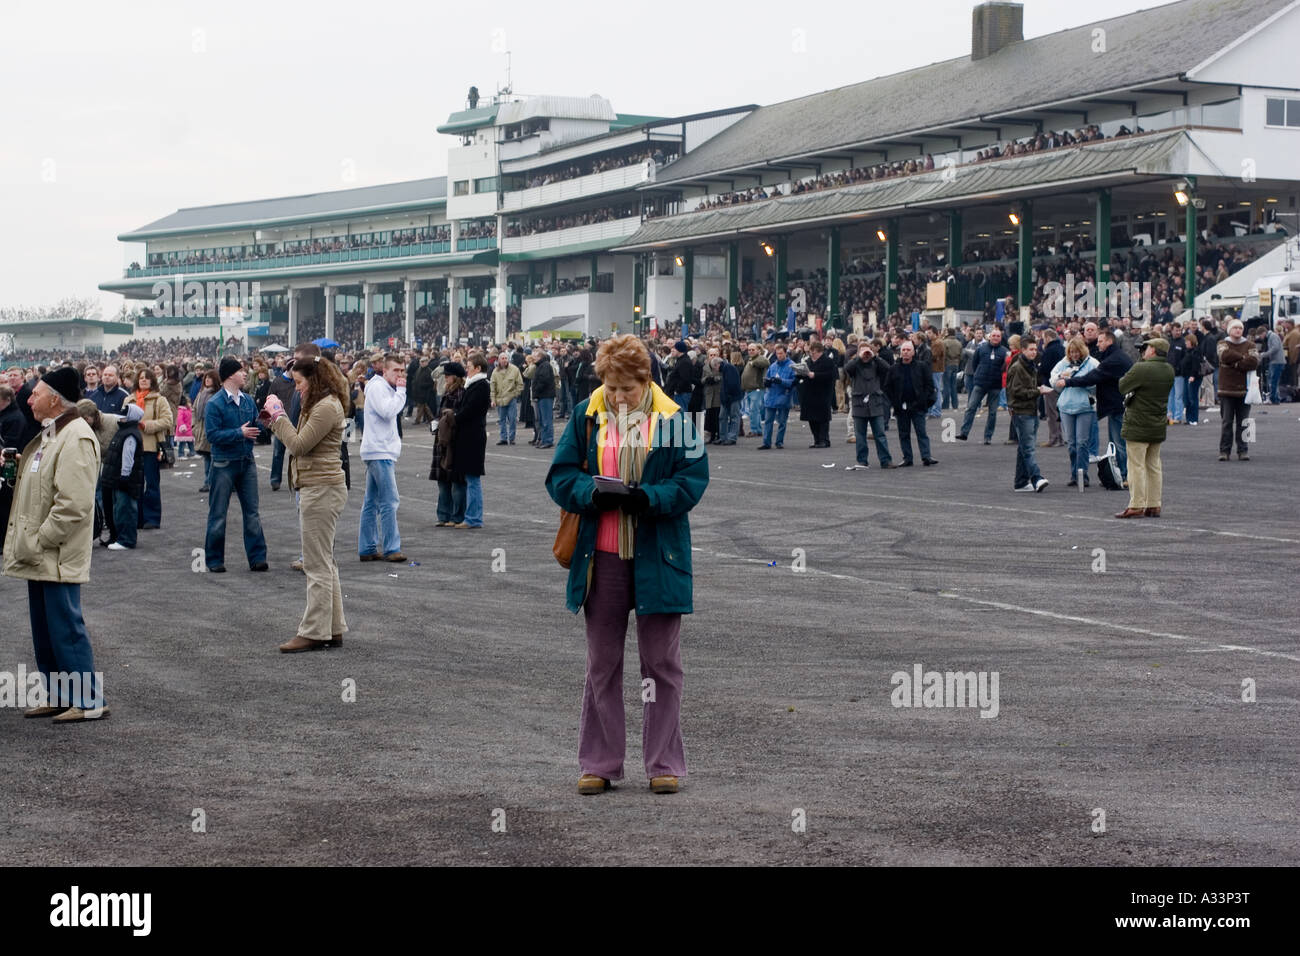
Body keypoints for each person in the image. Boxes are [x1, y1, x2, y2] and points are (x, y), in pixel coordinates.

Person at [544, 334, 709, 796]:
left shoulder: (675, 421)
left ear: (646, 380)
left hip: (659, 555)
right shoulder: (587, 414)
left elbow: (694, 480)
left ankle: (663, 764)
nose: (618, 398)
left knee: (661, 665)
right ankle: (599, 762)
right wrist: (589, 493)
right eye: (611, 388)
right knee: (603, 663)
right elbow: (560, 475)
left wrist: (647, 498)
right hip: (603, 557)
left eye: (627, 389)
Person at [2, 367, 107, 722]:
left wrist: (39, 539)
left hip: (56, 551)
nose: (28, 398)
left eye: (35, 393)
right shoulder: (52, 433)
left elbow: (73, 505)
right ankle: (61, 694)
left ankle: (89, 701)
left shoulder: (74, 436)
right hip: (41, 551)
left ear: (55, 399)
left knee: (66, 629)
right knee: (46, 631)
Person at [264, 345, 349, 653]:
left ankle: (314, 630)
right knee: (325, 561)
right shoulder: (324, 403)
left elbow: (299, 445)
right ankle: (333, 628)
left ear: (315, 379)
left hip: (321, 488)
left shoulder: (326, 406)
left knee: (316, 564)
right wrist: (279, 420)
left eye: (300, 383)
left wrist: (278, 417)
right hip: (320, 486)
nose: (296, 387)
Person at [203, 357, 269, 572]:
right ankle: (214, 560)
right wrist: (238, 433)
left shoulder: (248, 400)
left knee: (252, 512)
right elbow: (212, 436)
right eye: (241, 371)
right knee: (218, 513)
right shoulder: (215, 403)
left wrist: (266, 421)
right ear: (230, 375)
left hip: (246, 461)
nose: (244, 374)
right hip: (223, 463)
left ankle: (257, 557)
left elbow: (256, 426)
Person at [1060, 327, 1133, 485]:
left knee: (1119, 444)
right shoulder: (1113, 356)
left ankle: (1125, 476)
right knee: (1115, 443)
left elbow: (1092, 377)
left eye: (1100, 341)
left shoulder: (1113, 360)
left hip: (1117, 406)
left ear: (1109, 341)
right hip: (1116, 405)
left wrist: (1068, 381)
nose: (1098, 344)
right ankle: (1118, 475)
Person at [1115, 338, 1175, 518]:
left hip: (1138, 422)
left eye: (1146, 347)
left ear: (1153, 350)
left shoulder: (1142, 368)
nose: (1144, 350)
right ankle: (1153, 503)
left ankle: (1136, 504)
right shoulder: (1169, 370)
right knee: (1154, 465)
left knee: (1136, 465)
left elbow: (1123, 386)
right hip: (1156, 422)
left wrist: (1141, 361)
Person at [358, 353, 407, 561]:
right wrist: (402, 392)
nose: (400, 375)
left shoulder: (382, 387)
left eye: (402, 370)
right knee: (389, 500)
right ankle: (391, 548)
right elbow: (389, 411)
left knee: (372, 501)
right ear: (384, 370)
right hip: (380, 451)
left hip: (378, 449)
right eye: (396, 370)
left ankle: (367, 547)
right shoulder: (379, 387)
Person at [1049, 337, 1099, 487]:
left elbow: (1098, 381)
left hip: (1085, 407)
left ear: (1082, 350)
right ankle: (1074, 474)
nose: (1074, 354)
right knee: (1071, 443)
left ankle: (1082, 474)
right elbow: (1053, 379)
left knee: (1082, 442)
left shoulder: (1093, 363)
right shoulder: (1064, 363)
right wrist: (1060, 377)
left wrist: (1078, 382)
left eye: (1076, 351)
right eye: (1071, 352)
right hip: (1066, 407)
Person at [884, 340, 938, 467]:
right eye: (903, 350)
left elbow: (929, 385)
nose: (906, 352)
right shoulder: (893, 369)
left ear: (913, 352)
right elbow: (887, 387)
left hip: (918, 405)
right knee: (903, 434)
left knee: (921, 432)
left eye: (908, 350)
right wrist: (895, 402)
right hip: (901, 407)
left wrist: (923, 400)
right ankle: (907, 458)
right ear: (900, 352)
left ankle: (926, 456)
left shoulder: (922, 366)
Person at [132, 366, 173, 530]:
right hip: (133, 448)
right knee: (136, 485)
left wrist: (147, 425)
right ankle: (138, 518)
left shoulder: (159, 400)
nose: (143, 380)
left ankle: (152, 518)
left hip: (151, 447)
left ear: (152, 381)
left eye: (147, 377)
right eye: (141, 377)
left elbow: (167, 421)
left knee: (152, 484)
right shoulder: (130, 400)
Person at [1006, 338, 1049, 492]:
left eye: (1035, 349)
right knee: (1028, 448)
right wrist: (1038, 391)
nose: (1034, 352)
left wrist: (1038, 389)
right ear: (1023, 350)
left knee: (1024, 448)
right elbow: (1016, 392)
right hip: (1022, 411)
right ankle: (1036, 478)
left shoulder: (1029, 366)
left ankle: (1021, 482)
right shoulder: (1018, 367)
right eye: (1031, 349)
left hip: (1030, 410)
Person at [455, 352, 491, 529]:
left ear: (477, 368)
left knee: (473, 478)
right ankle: (471, 516)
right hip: (470, 435)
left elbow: (469, 410)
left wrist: (455, 418)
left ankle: (474, 518)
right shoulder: (474, 385)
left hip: (473, 436)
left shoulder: (481, 386)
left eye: (468, 367)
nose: (466, 370)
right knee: (470, 478)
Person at [843, 341, 893, 470]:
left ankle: (886, 461)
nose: (866, 354)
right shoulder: (855, 365)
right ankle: (862, 461)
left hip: (875, 402)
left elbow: (888, 368)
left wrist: (874, 356)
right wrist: (859, 357)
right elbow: (847, 369)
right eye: (863, 351)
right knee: (860, 436)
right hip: (859, 403)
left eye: (867, 351)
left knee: (880, 434)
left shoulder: (876, 362)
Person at [101, 404, 144, 551]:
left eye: (124, 415)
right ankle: (121, 537)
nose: (121, 417)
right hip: (120, 479)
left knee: (125, 509)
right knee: (120, 509)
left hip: (124, 480)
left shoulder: (129, 434)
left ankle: (126, 540)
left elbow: (128, 456)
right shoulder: (125, 431)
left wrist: (124, 476)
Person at [1216, 319, 1259, 462]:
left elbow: (1254, 362)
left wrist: (1233, 363)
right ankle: (1224, 451)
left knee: (1245, 422)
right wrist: (1243, 358)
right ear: (1229, 330)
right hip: (1226, 389)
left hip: (1245, 390)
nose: (1238, 330)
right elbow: (1224, 356)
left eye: (1240, 328)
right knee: (1226, 422)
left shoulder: (1250, 344)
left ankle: (1243, 450)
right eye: (1235, 328)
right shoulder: (1222, 343)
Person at [431, 362, 468, 527]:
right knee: (443, 481)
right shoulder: (447, 392)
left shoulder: (461, 393)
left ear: (456, 377)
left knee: (455, 481)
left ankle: (456, 516)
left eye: (447, 376)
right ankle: (443, 515)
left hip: (453, 440)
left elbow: (459, 418)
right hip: (442, 439)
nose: (445, 378)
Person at [958, 327, 1008, 443]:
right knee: (971, 408)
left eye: (998, 336)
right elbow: (975, 363)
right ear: (989, 337)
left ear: (1000, 338)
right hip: (980, 383)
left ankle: (988, 437)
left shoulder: (1004, 351)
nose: (995, 338)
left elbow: (1005, 368)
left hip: (995, 385)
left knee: (992, 413)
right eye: (994, 336)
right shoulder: (981, 349)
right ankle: (964, 433)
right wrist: (978, 375)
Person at [800, 340, 837, 448]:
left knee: (822, 419)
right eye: (811, 352)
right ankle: (816, 439)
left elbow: (831, 375)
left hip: (823, 393)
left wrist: (815, 375)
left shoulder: (828, 361)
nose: (812, 354)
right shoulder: (807, 361)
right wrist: (799, 373)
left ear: (819, 351)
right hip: (809, 393)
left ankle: (824, 440)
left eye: (814, 352)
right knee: (812, 418)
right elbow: (804, 374)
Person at [759, 344, 797, 449]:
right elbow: (768, 377)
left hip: (784, 396)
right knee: (768, 421)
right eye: (777, 353)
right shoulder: (773, 365)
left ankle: (779, 442)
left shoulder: (792, 365)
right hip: (771, 395)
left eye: (781, 353)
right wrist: (767, 382)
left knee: (782, 422)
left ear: (786, 353)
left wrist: (781, 381)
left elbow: (794, 382)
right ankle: (766, 442)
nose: (779, 356)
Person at [192, 368, 220, 492]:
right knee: (207, 456)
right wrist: (194, 425)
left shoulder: (217, 394)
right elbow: (194, 410)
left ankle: (210, 482)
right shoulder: (201, 393)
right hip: (200, 428)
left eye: (210, 378)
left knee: (213, 456)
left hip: (211, 428)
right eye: (206, 378)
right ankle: (208, 481)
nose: (207, 380)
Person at [490, 352, 523, 446]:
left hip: (511, 398)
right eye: (502, 358)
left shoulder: (514, 369)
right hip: (500, 399)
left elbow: (520, 384)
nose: (504, 360)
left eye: (506, 358)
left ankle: (512, 438)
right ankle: (503, 438)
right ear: (499, 360)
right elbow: (492, 387)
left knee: (512, 419)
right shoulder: (495, 372)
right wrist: (493, 400)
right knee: (502, 420)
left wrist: (515, 394)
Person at [740, 342, 768, 440]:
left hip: (756, 389)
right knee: (755, 411)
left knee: (753, 411)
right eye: (749, 350)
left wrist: (754, 362)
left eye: (753, 349)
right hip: (749, 389)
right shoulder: (750, 359)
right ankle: (758, 430)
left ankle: (754, 430)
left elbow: (766, 362)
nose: (751, 351)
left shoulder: (759, 358)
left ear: (758, 350)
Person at [531, 346, 557, 449]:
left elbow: (543, 380)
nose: (533, 357)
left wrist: (536, 390)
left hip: (545, 395)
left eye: (535, 355)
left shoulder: (544, 365)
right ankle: (544, 439)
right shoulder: (541, 365)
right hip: (543, 395)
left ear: (540, 356)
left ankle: (548, 440)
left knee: (546, 419)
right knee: (543, 419)